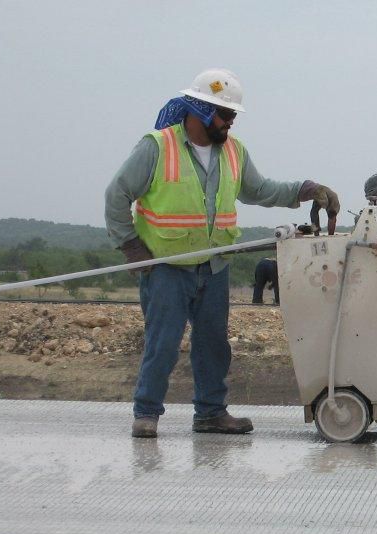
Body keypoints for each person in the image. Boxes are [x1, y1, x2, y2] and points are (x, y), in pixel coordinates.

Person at [105, 69, 340, 438]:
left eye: (232, 115)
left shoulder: (234, 151)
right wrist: (131, 247)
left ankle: (211, 413)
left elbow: (260, 190)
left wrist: (306, 189)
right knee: (163, 343)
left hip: (214, 266)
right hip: (167, 267)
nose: (230, 122)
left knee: (213, 344)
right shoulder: (157, 146)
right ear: (199, 110)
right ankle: (146, 413)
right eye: (224, 114)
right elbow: (116, 194)